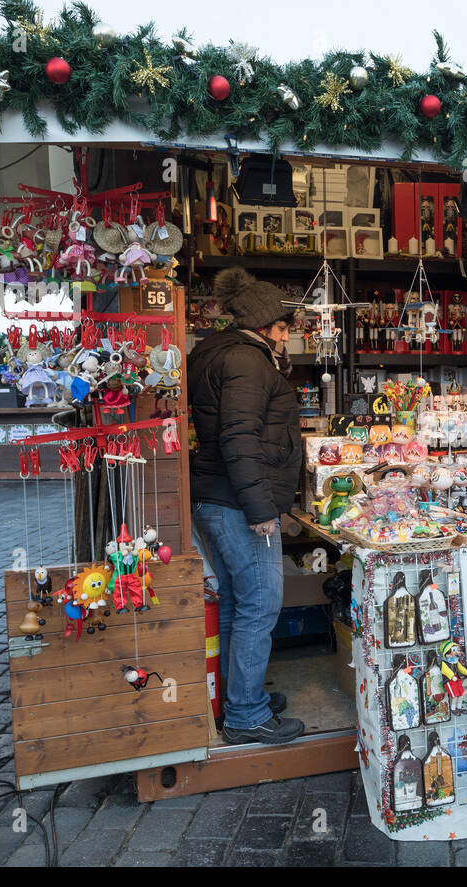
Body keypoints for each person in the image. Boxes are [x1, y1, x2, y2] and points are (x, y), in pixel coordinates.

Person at [188, 268, 304, 745]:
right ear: (265, 325)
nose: (287, 337)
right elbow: (239, 437)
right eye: (283, 328)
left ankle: (241, 695)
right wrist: (261, 510)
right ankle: (246, 716)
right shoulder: (248, 362)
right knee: (261, 605)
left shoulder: (213, 352)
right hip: (239, 503)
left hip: (218, 498)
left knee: (239, 603)